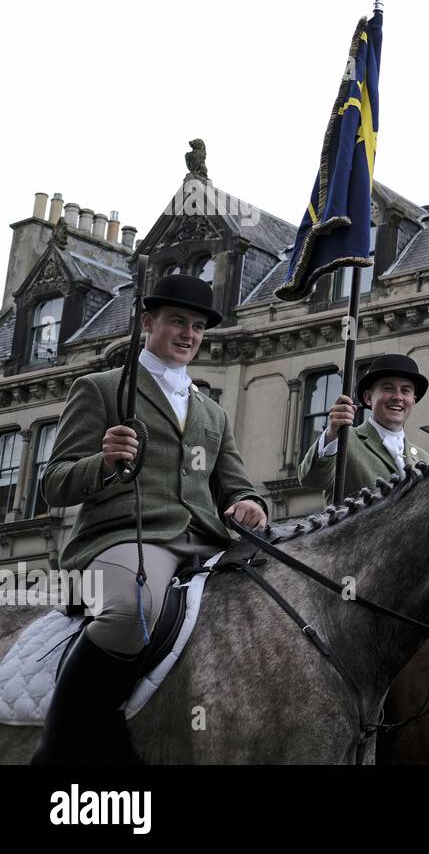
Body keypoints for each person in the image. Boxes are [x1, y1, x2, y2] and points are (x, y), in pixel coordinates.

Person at [34, 274, 268, 764]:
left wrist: (251, 504)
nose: (188, 334)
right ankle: (58, 753)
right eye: (177, 322)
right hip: (127, 537)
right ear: (147, 323)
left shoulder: (212, 412)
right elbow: (53, 483)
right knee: (128, 616)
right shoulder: (99, 389)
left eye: (198, 327)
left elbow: (235, 483)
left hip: (207, 541)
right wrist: (101, 463)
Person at [298, 353, 429, 498]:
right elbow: (313, 479)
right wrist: (332, 434)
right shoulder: (344, 440)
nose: (398, 397)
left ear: (413, 400)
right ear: (368, 398)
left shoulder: (426, 460)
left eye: (406, 390)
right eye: (388, 388)